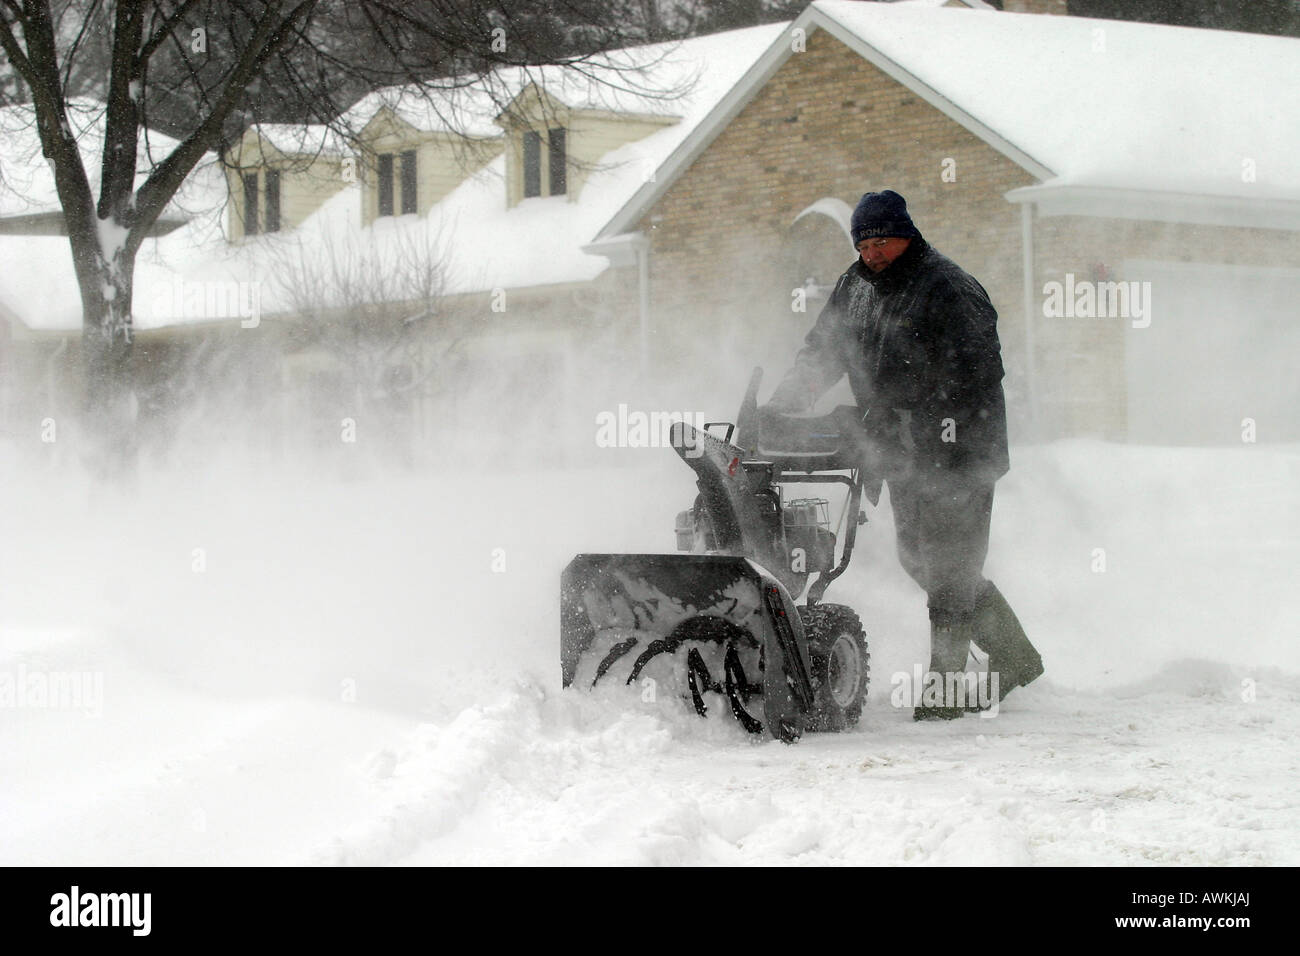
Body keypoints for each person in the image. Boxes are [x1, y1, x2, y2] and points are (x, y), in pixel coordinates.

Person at [767, 189, 1043, 719]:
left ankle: (944, 693)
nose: (871, 253)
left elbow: (978, 374)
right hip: (903, 452)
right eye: (863, 243)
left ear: (907, 235)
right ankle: (1015, 657)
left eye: (882, 242)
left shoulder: (947, 288)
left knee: (951, 568)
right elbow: (822, 351)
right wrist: (786, 403)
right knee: (918, 558)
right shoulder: (856, 286)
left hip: (959, 451)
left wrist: (904, 412)